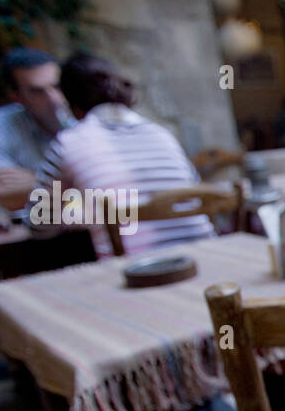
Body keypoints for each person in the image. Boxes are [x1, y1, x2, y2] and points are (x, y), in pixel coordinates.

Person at [29, 54, 214, 258]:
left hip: (138, 273)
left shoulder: (68, 143)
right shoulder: (161, 134)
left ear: (72, 104)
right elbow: (195, 197)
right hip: (205, 257)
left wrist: (78, 212)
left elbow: (39, 225)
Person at [0, 48, 73, 212]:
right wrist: (77, 184)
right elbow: (7, 196)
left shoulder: (88, 115)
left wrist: (36, 182)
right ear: (16, 96)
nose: (54, 99)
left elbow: (118, 187)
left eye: (57, 86)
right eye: (37, 91)